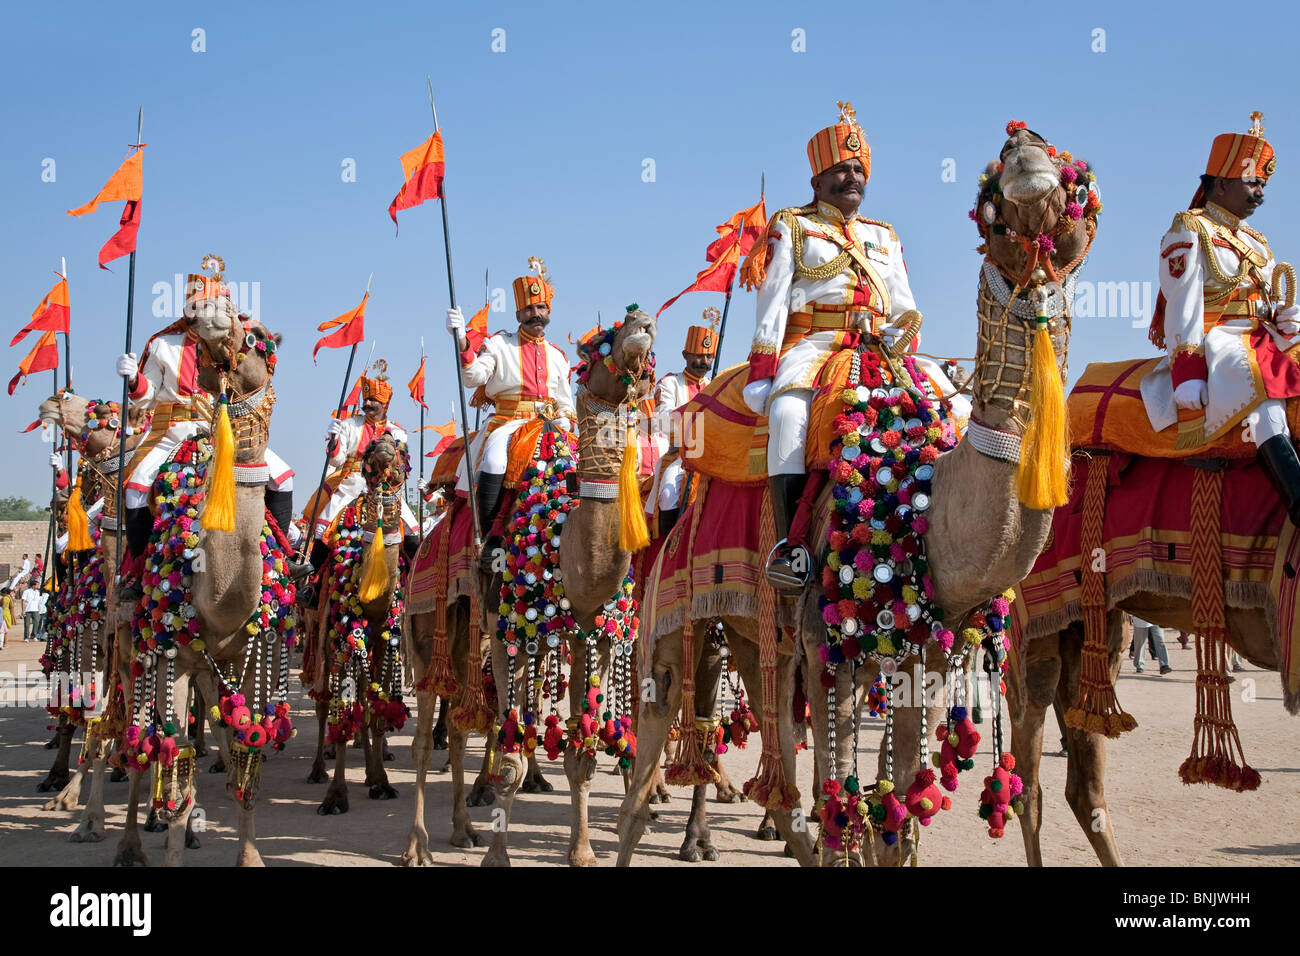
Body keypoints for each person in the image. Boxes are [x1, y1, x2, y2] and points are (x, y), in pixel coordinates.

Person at [740, 101, 925, 590]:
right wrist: (763, 373)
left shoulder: (884, 237)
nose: (852, 177)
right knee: (788, 418)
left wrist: (902, 333)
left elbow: (907, 308)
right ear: (817, 182)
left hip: (880, 351)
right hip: (813, 347)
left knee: (949, 405)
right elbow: (772, 306)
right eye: (841, 169)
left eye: (859, 169)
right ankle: (792, 550)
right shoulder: (793, 226)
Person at [1142, 112, 1300, 519]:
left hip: (1263, 336)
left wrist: (1285, 318)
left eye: (1263, 185)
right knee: (1264, 401)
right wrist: (1187, 371)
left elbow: (1264, 301)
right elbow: (1183, 301)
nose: (1259, 193)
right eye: (1252, 183)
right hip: (1222, 338)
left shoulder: (1258, 242)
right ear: (1223, 183)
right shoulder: (1190, 227)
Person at [115, 256, 299, 598]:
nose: (202, 311)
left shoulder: (236, 343)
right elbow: (147, 397)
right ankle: (137, 574)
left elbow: (261, 366)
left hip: (223, 430)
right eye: (197, 305)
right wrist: (133, 379)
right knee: (136, 487)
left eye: (211, 304)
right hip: (174, 431)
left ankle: (284, 560)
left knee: (283, 476)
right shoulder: (161, 345)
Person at [445, 257, 576, 560]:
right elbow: (472, 377)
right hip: (508, 423)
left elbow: (566, 402)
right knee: (493, 461)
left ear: (549, 312)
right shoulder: (499, 344)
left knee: (578, 468)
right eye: (529, 309)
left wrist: (567, 421)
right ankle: (490, 539)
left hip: (549, 426)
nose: (535, 314)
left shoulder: (558, 356)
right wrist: (462, 339)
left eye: (541, 308)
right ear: (518, 312)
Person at [305, 363, 418, 571]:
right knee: (324, 526)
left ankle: (417, 578)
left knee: (412, 530)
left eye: (372, 400)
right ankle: (310, 583)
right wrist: (333, 441)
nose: (367, 402)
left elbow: (402, 465)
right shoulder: (349, 425)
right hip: (352, 482)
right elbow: (336, 460)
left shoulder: (397, 431)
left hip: (385, 485)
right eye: (365, 399)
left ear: (384, 404)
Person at [645, 308, 718, 536]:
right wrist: (695, 416)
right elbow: (663, 420)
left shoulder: (717, 384)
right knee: (667, 494)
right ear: (685, 355)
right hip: (680, 456)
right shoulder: (669, 384)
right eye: (697, 355)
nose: (703, 361)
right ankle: (669, 548)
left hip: (714, 456)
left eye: (708, 357)